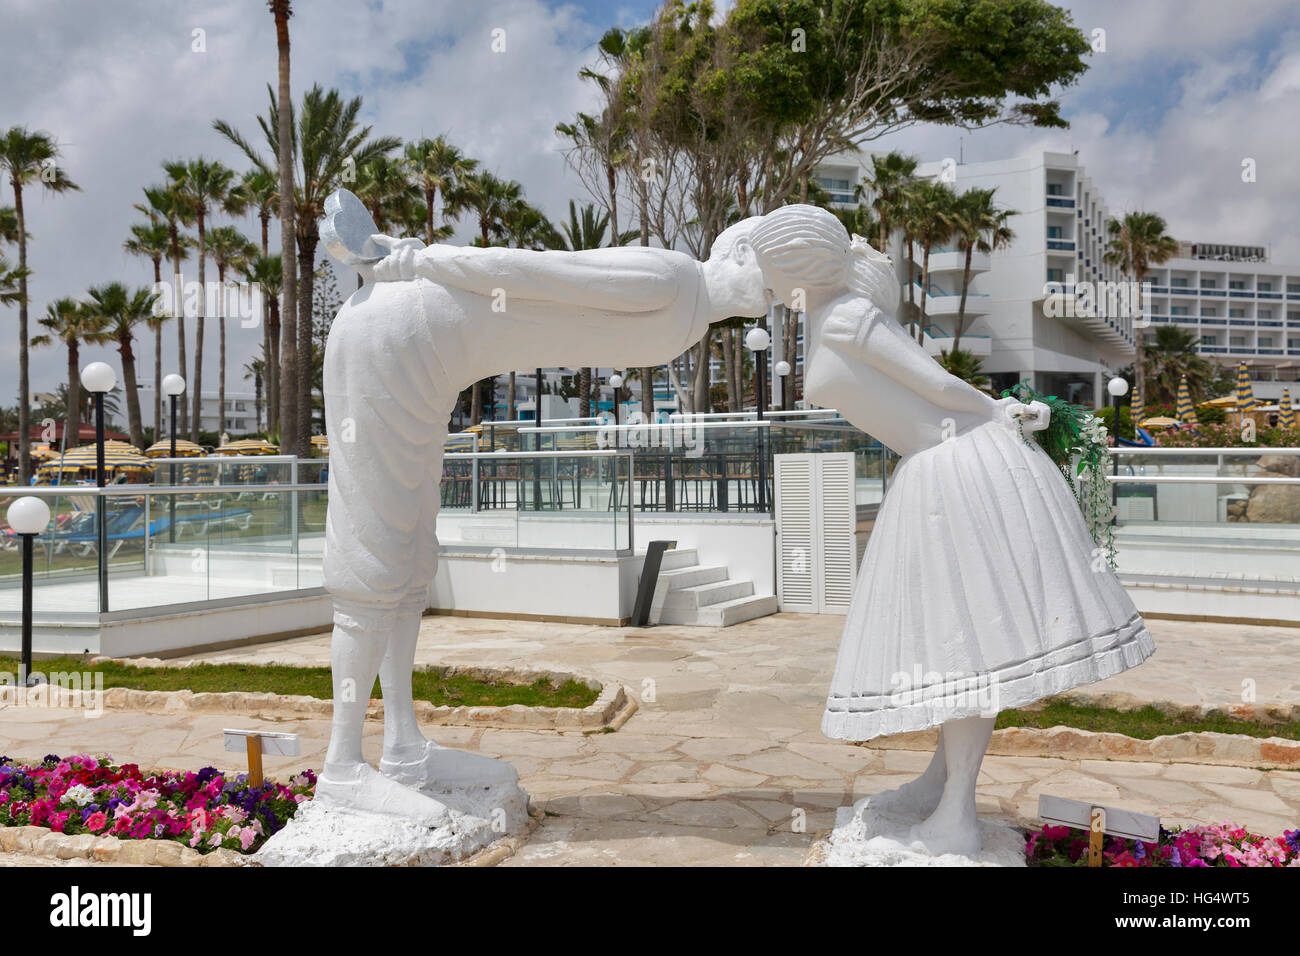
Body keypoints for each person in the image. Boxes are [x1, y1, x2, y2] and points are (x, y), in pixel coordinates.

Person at [317, 207, 769, 821]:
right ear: (740, 254)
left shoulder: (692, 312)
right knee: (373, 554)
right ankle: (342, 767)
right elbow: (538, 271)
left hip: (425, 356)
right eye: (774, 279)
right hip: (394, 337)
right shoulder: (673, 279)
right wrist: (420, 259)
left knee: (411, 556)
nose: (775, 300)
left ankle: (403, 749)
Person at [747, 205, 1154, 855]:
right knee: (950, 643)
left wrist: (999, 409)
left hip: (960, 465)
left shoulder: (849, 317)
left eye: (762, 261)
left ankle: (957, 811)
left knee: (969, 644)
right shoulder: (827, 321)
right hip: (933, 470)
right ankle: (942, 783)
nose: (756, 274)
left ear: (793, 264)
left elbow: (934, 384)